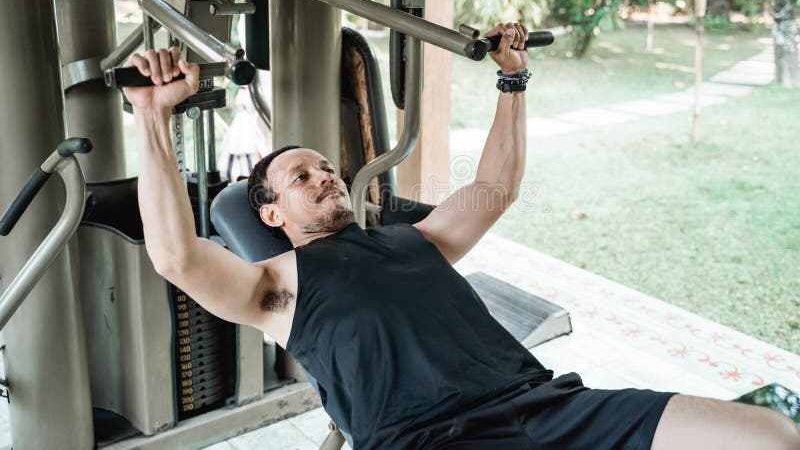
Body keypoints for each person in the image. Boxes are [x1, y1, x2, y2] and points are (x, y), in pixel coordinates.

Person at [125, 24, 800, 449]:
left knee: (768, 436)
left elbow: (495, 189)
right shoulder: (275, 288)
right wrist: (152, 117)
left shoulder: (415, 239)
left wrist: (512, 79)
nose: (326, 176)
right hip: (429, 439)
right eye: (302, 176)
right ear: (271, 215)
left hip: (548, 409)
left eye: (328, 167)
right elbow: (176, 258)